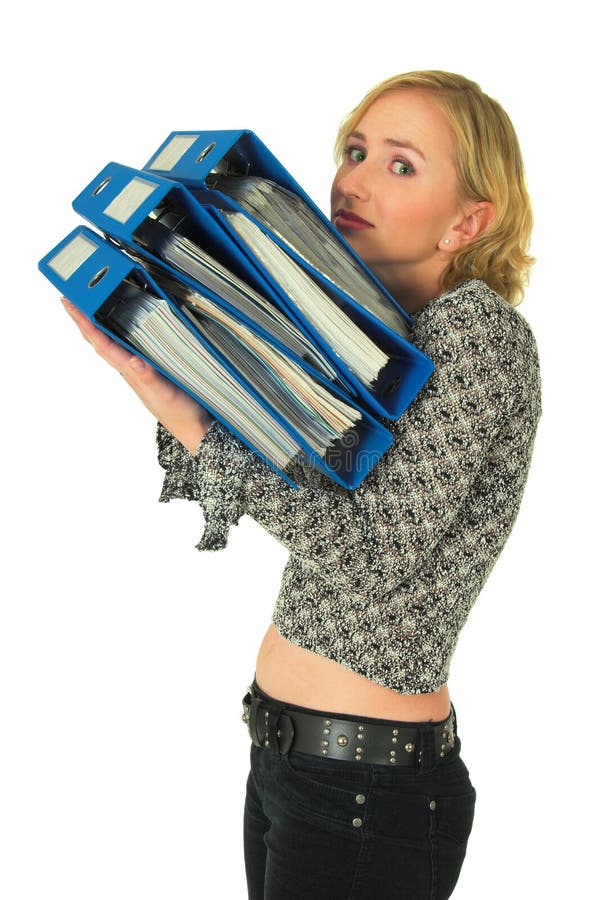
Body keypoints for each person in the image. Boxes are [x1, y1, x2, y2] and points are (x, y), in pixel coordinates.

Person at [62, 70, 541, 899]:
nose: (351, 180)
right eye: (354, 150)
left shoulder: (481, 337)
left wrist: (192, 421)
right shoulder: (369, 332)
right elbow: (261, 483)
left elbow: (373, 554)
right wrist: (181, 361)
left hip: (366, 791)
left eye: (400, 164)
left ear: (468, 220)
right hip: (291, 766)